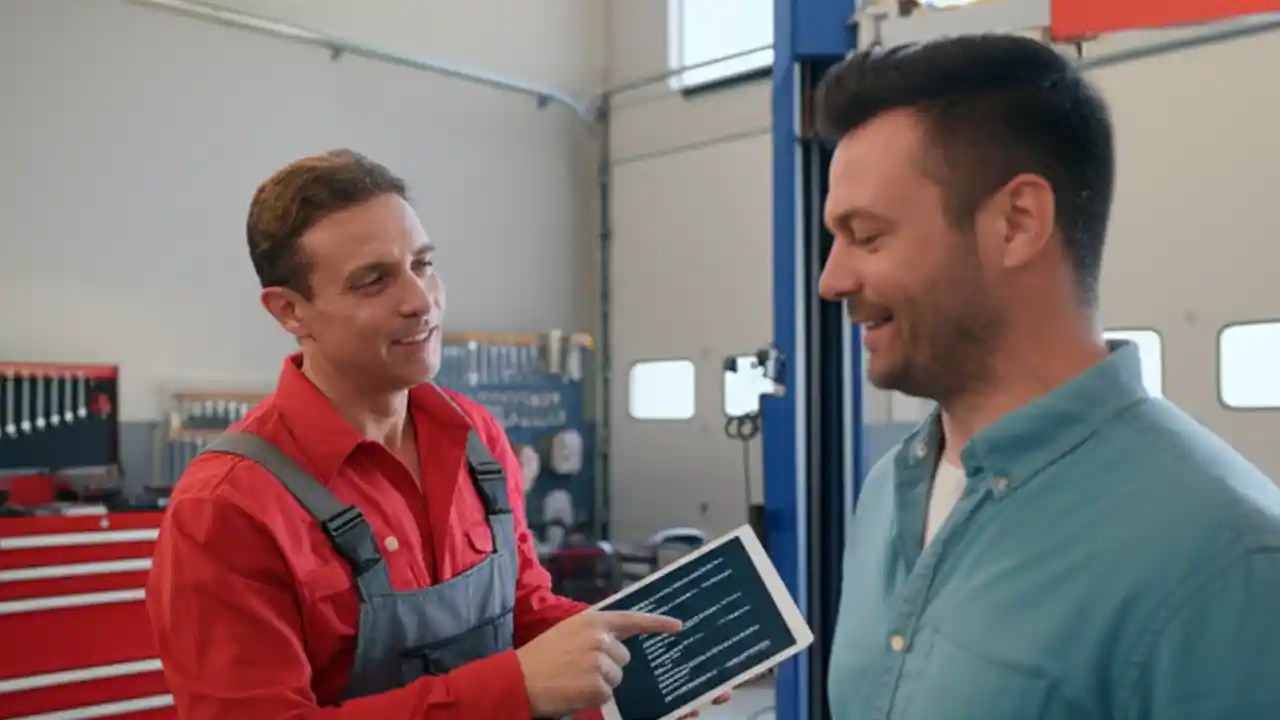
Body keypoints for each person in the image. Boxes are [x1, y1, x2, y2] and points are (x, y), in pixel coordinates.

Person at [146, 150, 727, 719]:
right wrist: (513, 689)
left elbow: (524, 609)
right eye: (374, 281)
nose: (421, 302)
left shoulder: (478, 439)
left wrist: (639, 666)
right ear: (290, 312)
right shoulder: (226, 509)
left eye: (423, 264)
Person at [814, 35, 1280, 719]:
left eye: (868, 236)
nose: (832, 280)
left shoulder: (1224, 559)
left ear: (1018, 222)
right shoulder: (888, 492)